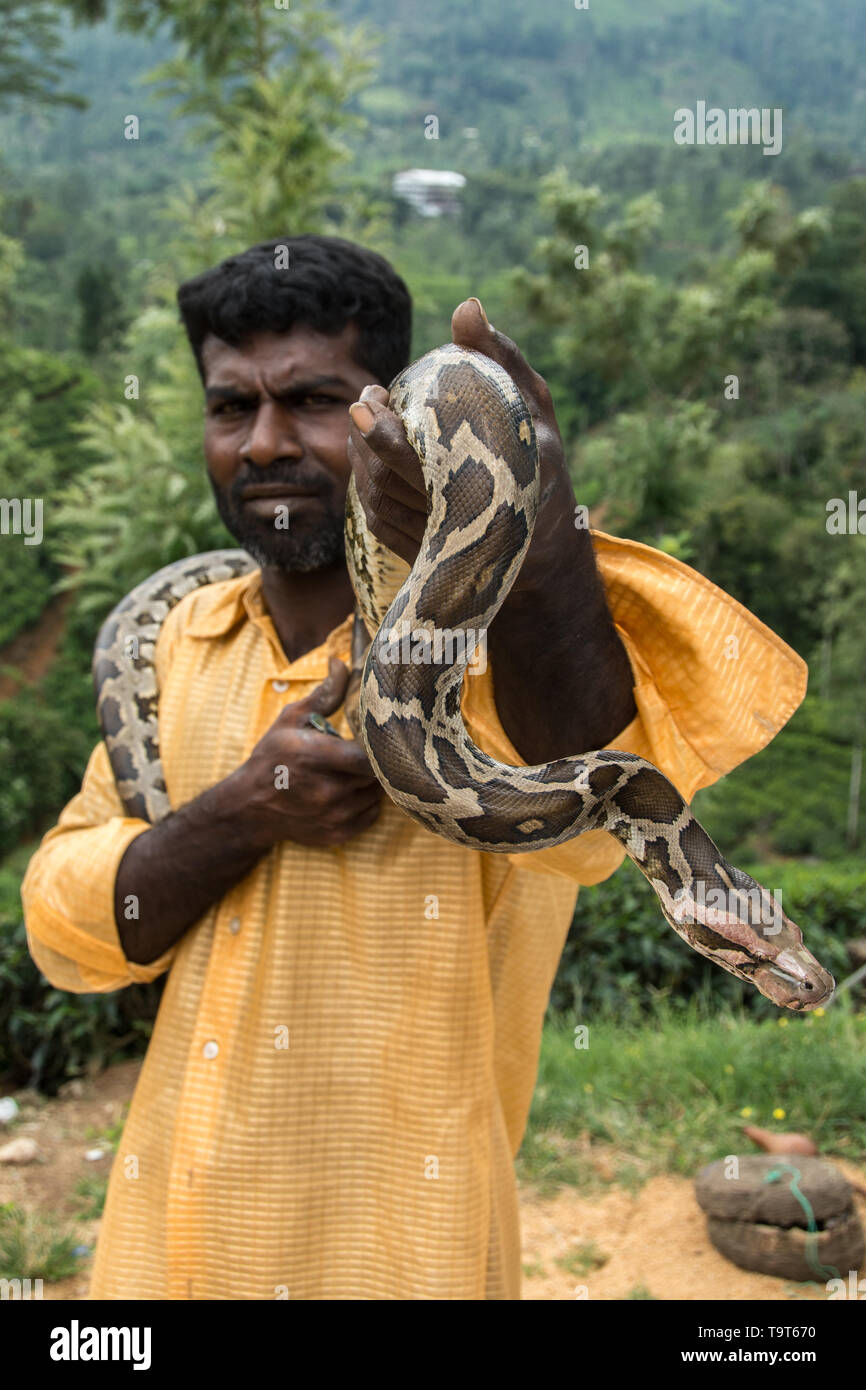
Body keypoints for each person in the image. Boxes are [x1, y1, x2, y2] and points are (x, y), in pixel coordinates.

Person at [21, 235, 807, 1300]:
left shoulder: (502, 658)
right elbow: (67, 923)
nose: (261, 443)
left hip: (403, 1255)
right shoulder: (171, 645)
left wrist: (535, 544)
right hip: (162, 1256)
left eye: (309, 401)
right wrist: (246, 810)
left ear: (386, 411)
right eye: (229, 407)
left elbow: (583, 802)